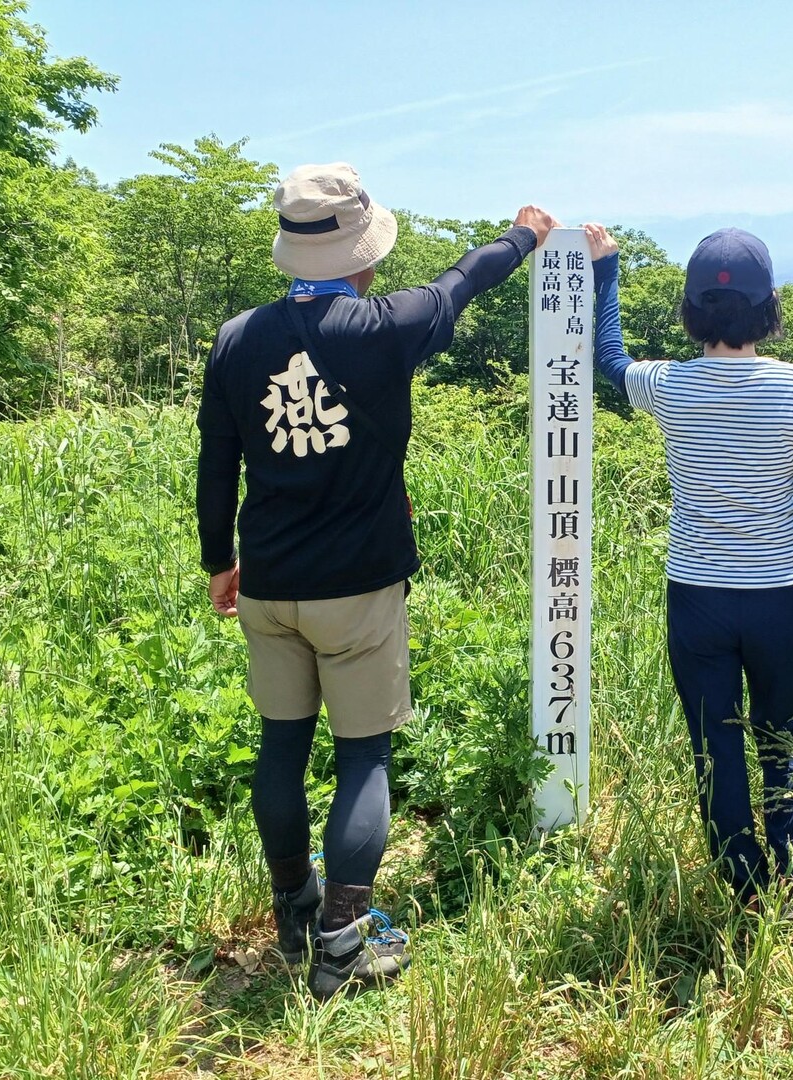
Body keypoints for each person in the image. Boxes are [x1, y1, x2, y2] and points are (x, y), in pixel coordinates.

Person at [196, 161, 557, 998]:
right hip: (358, 588)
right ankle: (343, 946)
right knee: (364, 756)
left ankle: (294, 912)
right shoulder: (388, 326)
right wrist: (527, 234)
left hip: (269, 583)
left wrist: (221, 561)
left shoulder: (236, 338)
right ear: (363, 254)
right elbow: (463, 280)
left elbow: (217, 463)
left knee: (280, 745)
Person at [584, 222, 793, 917]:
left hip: (697, 595)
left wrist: (607, 269)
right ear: (769, 308)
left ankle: (745, 882)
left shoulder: (669, 387)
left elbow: (609, 356)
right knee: (781, 728)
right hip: (780, 594)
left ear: (692, 311)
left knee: (715, 740)